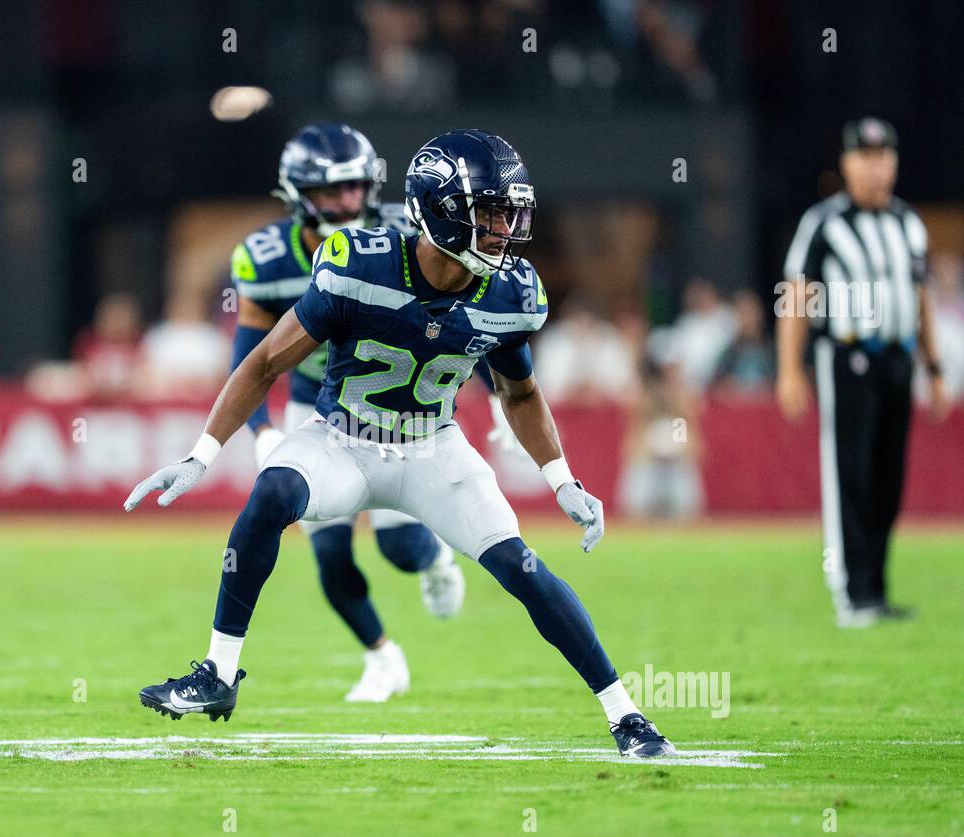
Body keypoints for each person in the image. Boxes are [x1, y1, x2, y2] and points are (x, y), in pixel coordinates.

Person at [124, 129, 675, 758]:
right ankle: (218, 674)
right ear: (442, 210)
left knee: (521, 567)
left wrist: (562, 479)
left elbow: (520, 393)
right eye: (490, 213)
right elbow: (264, 364)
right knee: (274, 488)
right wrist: (203, 454)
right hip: (341, 440)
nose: (505, 229)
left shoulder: (508, 292)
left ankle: (626, 716)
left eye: (509, 212)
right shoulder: (359, 264)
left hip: (432, 450)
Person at [223, 122, 500, 703]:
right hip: (314, 402)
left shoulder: (412, 232)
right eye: (331, 192)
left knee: (400, 549)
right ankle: (383, 657)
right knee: (327, 549)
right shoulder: (265, 259)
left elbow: (474, 309)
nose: (348, 202)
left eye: (355, 187)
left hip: (395, 404)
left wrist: (498, 396)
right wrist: (262, 430)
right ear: (296, 193)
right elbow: (250, 361)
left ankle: (435, 560)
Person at [777, 117, 950, 628]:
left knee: (888, 476)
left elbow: (921, 298)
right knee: (849, 473)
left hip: (898, 359)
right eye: (865, 157)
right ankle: (852, 594)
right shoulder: (824, 222)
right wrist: (790, 369)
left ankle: (876, 587)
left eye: (884, 157)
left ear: (895, 162)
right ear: (847, 163)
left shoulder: (909, 223)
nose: (876, 167)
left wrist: (933, 365)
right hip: (848, 357)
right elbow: (797, 295)